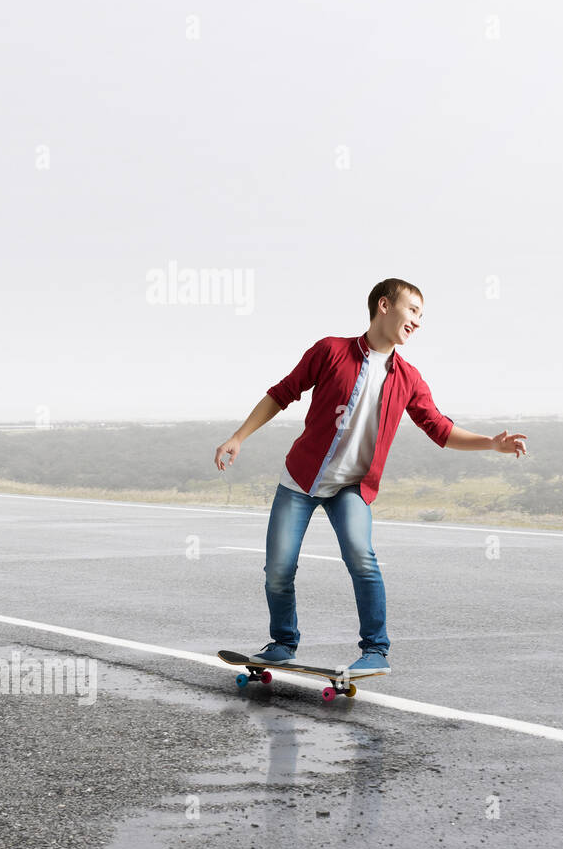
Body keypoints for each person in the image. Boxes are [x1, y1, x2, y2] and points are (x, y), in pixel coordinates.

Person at [213, 277, 527, 675]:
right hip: (300, 481)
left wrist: (490, 443)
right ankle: (282, 644)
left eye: (421, 315)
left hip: (352, 488)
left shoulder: (408, 377)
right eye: (412, 310)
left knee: (362, 558)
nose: (417, 321)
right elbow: (282, 392)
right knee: (278, 567)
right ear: (384, 305)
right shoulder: (330, 351)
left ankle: (375, 650)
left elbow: (441, 430)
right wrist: (238, 437)